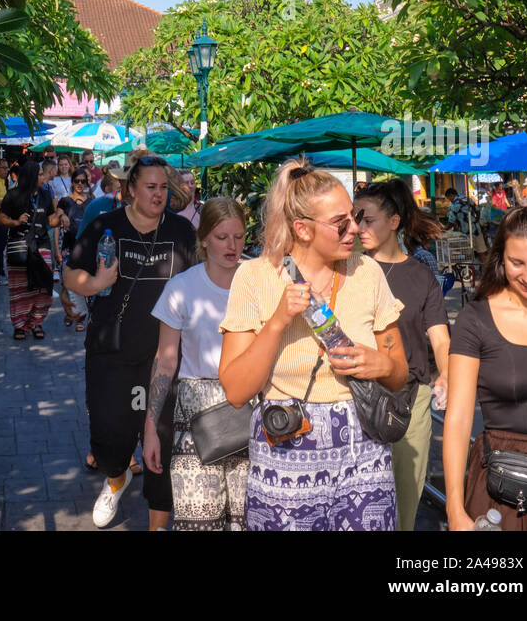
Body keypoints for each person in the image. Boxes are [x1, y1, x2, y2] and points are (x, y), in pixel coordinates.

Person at [218, 161, 407, 532]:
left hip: (363, 453)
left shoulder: (366, 273)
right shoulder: (254, 277)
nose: (355, 228)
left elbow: (400, 374)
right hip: (286, 451)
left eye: (354, 216)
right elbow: (237, 390)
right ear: (302, 229)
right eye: (341, 222)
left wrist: (379, 365)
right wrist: (277, 323)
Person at [63, 152, 197, 530]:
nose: (159, 195)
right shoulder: (106, 226)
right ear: (132, 189)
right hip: (111, 353)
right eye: (150, 187)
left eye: (163, 188)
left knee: (162, 441)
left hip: (163, 358)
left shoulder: (180, 233)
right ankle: (116, 477)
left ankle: (157, 524)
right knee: (110, 435)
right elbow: (70, 273)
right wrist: (96, 284)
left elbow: (199, 285)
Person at [444, 206, 527, 531]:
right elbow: (458, 419)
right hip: (499, 488)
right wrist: (454, 508)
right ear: (500, 258)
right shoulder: (475, 320)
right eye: (517, 263)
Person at [144, 197, 249, 531]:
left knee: (250, 522)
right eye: (222, 237)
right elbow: (164, 362)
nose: (232, 246)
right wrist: (150, 429)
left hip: (251, 411)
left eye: (239, 236)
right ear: (204, 238)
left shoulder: (261, 280)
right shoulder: (182, 288)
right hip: (195, 419)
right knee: (198, 522)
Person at [354, 179, 450, 531]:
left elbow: (440, 338)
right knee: (361, 507)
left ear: (394, 222)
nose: (359, 227)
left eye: (368, 219)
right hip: (357, 399)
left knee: (404, 506)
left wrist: (447, 376)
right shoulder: (347, 269)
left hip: (412, 398)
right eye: (355, 218)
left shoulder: (421, 276)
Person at [0, 160, 61, 341]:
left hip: (42, 246)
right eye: (40, 174)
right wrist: (16, 222)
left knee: (44, 289)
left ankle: (36, 322)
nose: (43, 176)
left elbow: (51, 221)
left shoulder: (46, 195)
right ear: (32, 177)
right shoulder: (13, 195)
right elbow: (1, 219)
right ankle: (20, 325)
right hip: (19, 248)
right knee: (20, 290)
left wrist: (62, 216)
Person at [57, 170, 93, 330]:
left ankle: (79, 318)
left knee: (82, 284)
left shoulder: (91, 202)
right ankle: (69, 311)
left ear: (87, 184)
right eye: (77, 181)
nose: (79, 184)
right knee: (67, 284)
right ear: (72, 182)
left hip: (85, 249)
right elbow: (55, 222)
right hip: (67, 248)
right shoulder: (65, 201)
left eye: (83, 182)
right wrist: (61, 217)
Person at [76, 171, 123, 237]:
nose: (123, 191)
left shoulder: (133, 205)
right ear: (107, 189)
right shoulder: (95, 205)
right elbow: (81, 235)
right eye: (119, 190)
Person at [445, 186, 487, 256]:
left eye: (449, 198)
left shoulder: (454, 205)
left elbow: (451, 223)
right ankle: (486, 266)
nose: (450, 200)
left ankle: (471, 267)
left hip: (465, 234)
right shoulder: (467, 199)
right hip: (476, 230)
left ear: (451, 195)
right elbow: (477, 210)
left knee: (467, 256)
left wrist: (444, 229)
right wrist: (476, 221)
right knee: (482, 253)